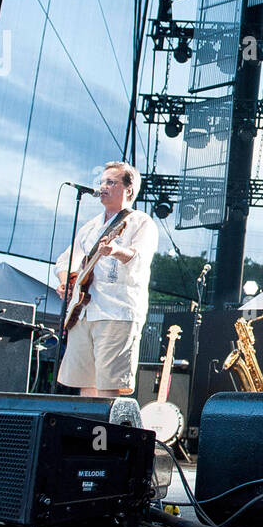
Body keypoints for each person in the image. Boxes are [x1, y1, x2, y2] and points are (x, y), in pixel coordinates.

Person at [53, 162, 159, 398]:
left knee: (108, 387)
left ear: (128, 190)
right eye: (102, 182)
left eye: (111, 182)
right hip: (84, 310)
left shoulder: (142, 222)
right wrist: (67, 282)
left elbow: (139, 258)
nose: (103, 187)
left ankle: (104, 434)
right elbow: (65, 260)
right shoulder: (91, 226)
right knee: (85, 384)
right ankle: (86, 432)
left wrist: (115, 251)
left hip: (117, 311)